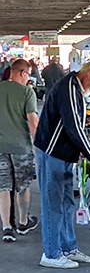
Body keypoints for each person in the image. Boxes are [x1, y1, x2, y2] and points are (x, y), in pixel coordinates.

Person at [34, 58, 90, 269]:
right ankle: (51, 253)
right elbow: (73, 126)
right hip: (52, 153)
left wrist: (85, 151)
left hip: (64, 154)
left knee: (67, 203)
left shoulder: (75, 88)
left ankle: (68, 247)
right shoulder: (69, 88)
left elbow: (76, 126)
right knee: (53, 204)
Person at [0, 59, 39, 243]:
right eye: (29, 74)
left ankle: (7, 227)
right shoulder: (26, 92)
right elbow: (32, 123)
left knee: (3, 187)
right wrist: (40, 145)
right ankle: (23, 222)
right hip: (21, 147)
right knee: (22, 186)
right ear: (23, 73)